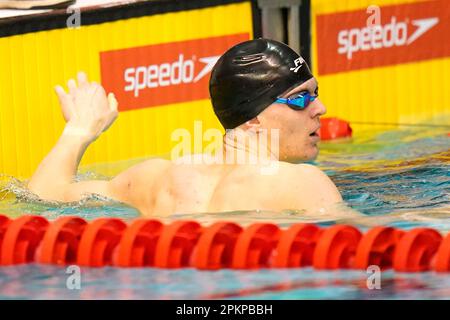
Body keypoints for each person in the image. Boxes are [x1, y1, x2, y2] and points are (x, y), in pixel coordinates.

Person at [27, 39, 359, 219]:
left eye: (315, 95)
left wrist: (79, 131)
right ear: (253, 118)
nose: (320, 109)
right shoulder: (301, 182)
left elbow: (41, 196)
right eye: (300, 99)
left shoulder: (156, 179)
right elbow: (363, 248)